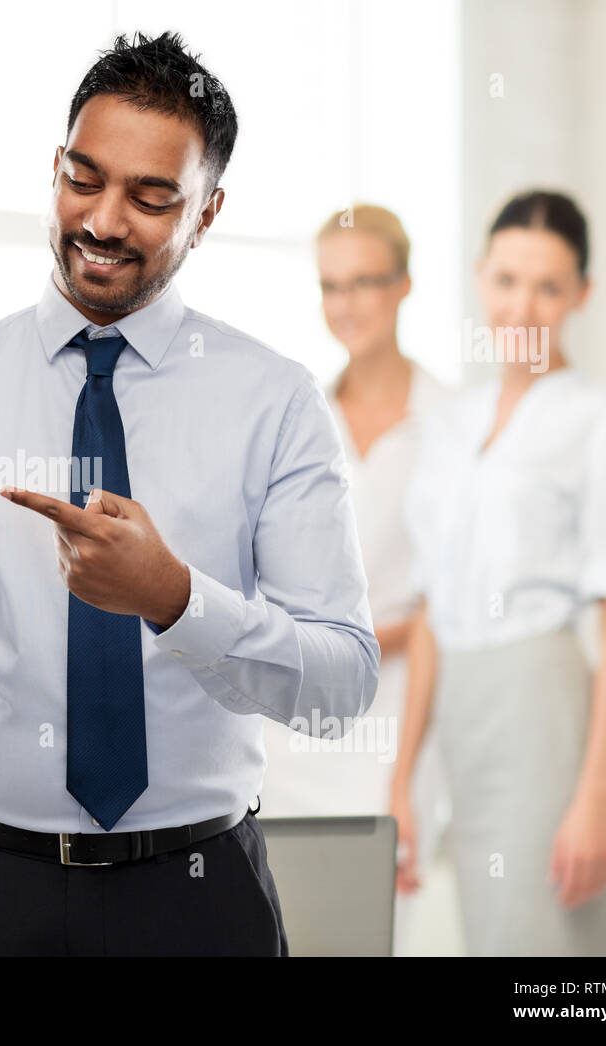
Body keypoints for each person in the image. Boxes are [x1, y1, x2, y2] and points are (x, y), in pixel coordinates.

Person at [0, 31, 380, 957]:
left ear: (205, 213)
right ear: (55, 170)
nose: (105, 220)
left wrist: (175, 601)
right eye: (83, 179)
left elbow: (342, 683)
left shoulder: (273, 401)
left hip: (199, 896)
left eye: (152, 196)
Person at [394, 190, 606, 956]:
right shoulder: (449, 426)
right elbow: (435, 608)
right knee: (492, 935)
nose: (523, 306)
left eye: (549, 286)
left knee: (547, 949)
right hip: (463, 720)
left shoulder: (601, 422)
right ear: (480, 278)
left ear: (581, 295)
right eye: (507, 280)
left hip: (545, 713)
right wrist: (403, 778)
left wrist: (596, 795)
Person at [258, 204, 451, 956]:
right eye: (331, 285)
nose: (347, 304)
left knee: (376, 929)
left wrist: (403, 776)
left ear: (404, 284)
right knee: (290, 929)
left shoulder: (450, 420)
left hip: (398, 717)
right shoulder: (296, 416)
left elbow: (443, 606)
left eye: (366, 281)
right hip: (296, 724)